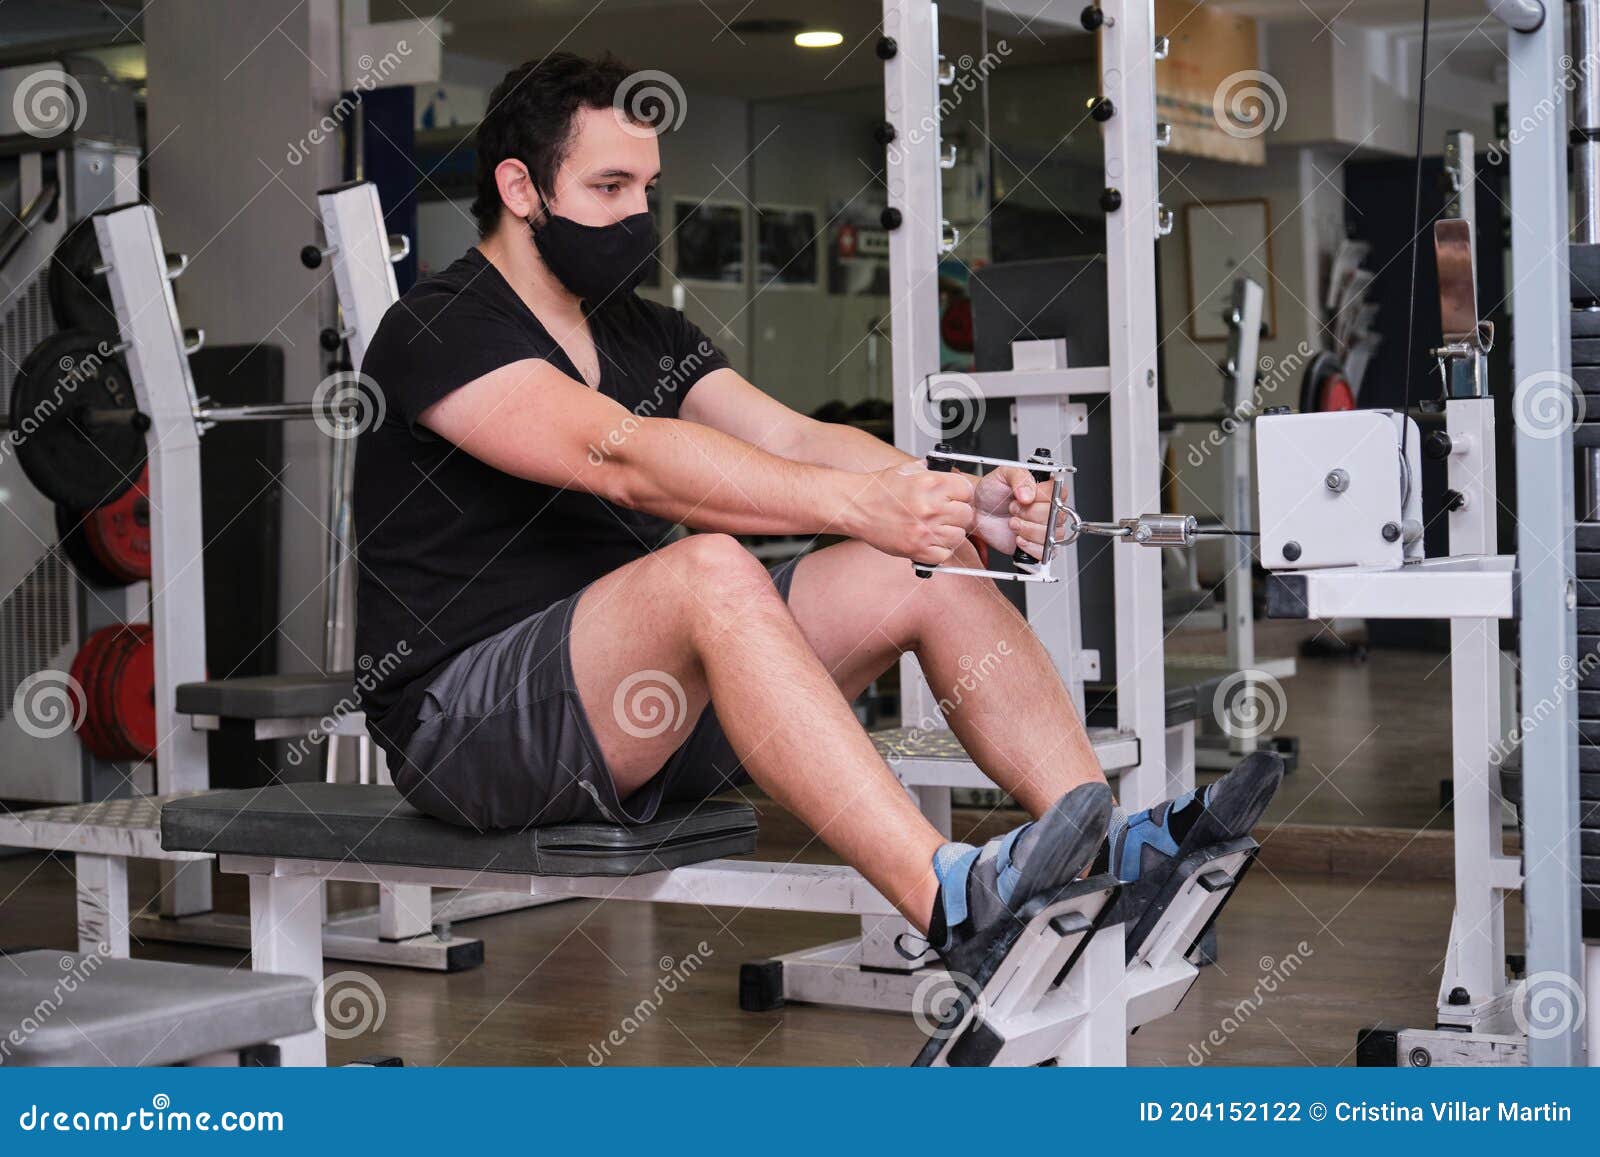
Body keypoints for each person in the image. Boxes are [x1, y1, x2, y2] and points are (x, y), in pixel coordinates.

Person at [353, 52, 1282, 1024]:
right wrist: (853, 506)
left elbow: (792, 438)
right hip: (466, 726)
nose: (635, 215)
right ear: (518, 187)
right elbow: (621, 455)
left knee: (917, 563)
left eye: (647, 189)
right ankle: (954, 898)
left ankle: (1115, 856)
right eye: (608, 187)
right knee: (708, 568)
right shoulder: (439, 327)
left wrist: (952, 498)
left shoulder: (644, 334)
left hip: (636, 716)